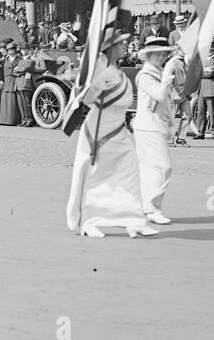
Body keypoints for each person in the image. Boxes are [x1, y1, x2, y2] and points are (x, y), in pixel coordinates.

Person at [65, 40, 157, 239]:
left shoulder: (116, 69)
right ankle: (88, 221)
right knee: (96, 176)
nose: (125, 46)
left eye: (125, 43)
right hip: (99, 130)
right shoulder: (101, 68)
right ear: (109, 47)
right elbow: (87, 99)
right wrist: (97, 85)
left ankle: (134, 221)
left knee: (131, 173)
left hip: (119, 129)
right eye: (120, 43)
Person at [132, 37, 177, 225]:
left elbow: (167, 100)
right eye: (157, 53)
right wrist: (168, 73)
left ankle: (147, 207)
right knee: (163, 167)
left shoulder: (158, 73)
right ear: (148, 55)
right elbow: (159, 94)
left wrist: (171, 124)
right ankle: (152, 207)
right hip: (148, 126)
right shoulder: (145, 75)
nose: (161, 56)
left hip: (155, 124)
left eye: (163, 53)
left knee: (151, 168)